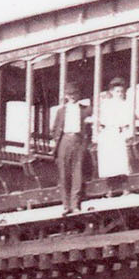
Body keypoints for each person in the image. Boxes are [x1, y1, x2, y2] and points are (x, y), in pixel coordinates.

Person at [48, 84, 90, 213]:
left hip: (78, 140)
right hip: (64, 141)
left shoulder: (86, 110)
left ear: (78, 95)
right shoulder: (61, 111)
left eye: (74, 94)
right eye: (69, 94)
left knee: (77, 172)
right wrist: (56, 140)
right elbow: (55, 128)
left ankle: (75, 204)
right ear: (66, 96)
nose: (72, 97)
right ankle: (66, 206)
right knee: (64, 173)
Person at [93, 78, 135, 187]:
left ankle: (125, 187)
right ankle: (110, 188)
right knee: (109, 161)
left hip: (120, 133)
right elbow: (100, 119)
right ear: (111, 92)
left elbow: (129, 120)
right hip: (108, 133)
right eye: (117, 91)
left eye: (121, 91)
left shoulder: (126, 104)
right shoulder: (106, 104)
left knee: (122, 162)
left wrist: (128, 133)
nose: (120, 94)